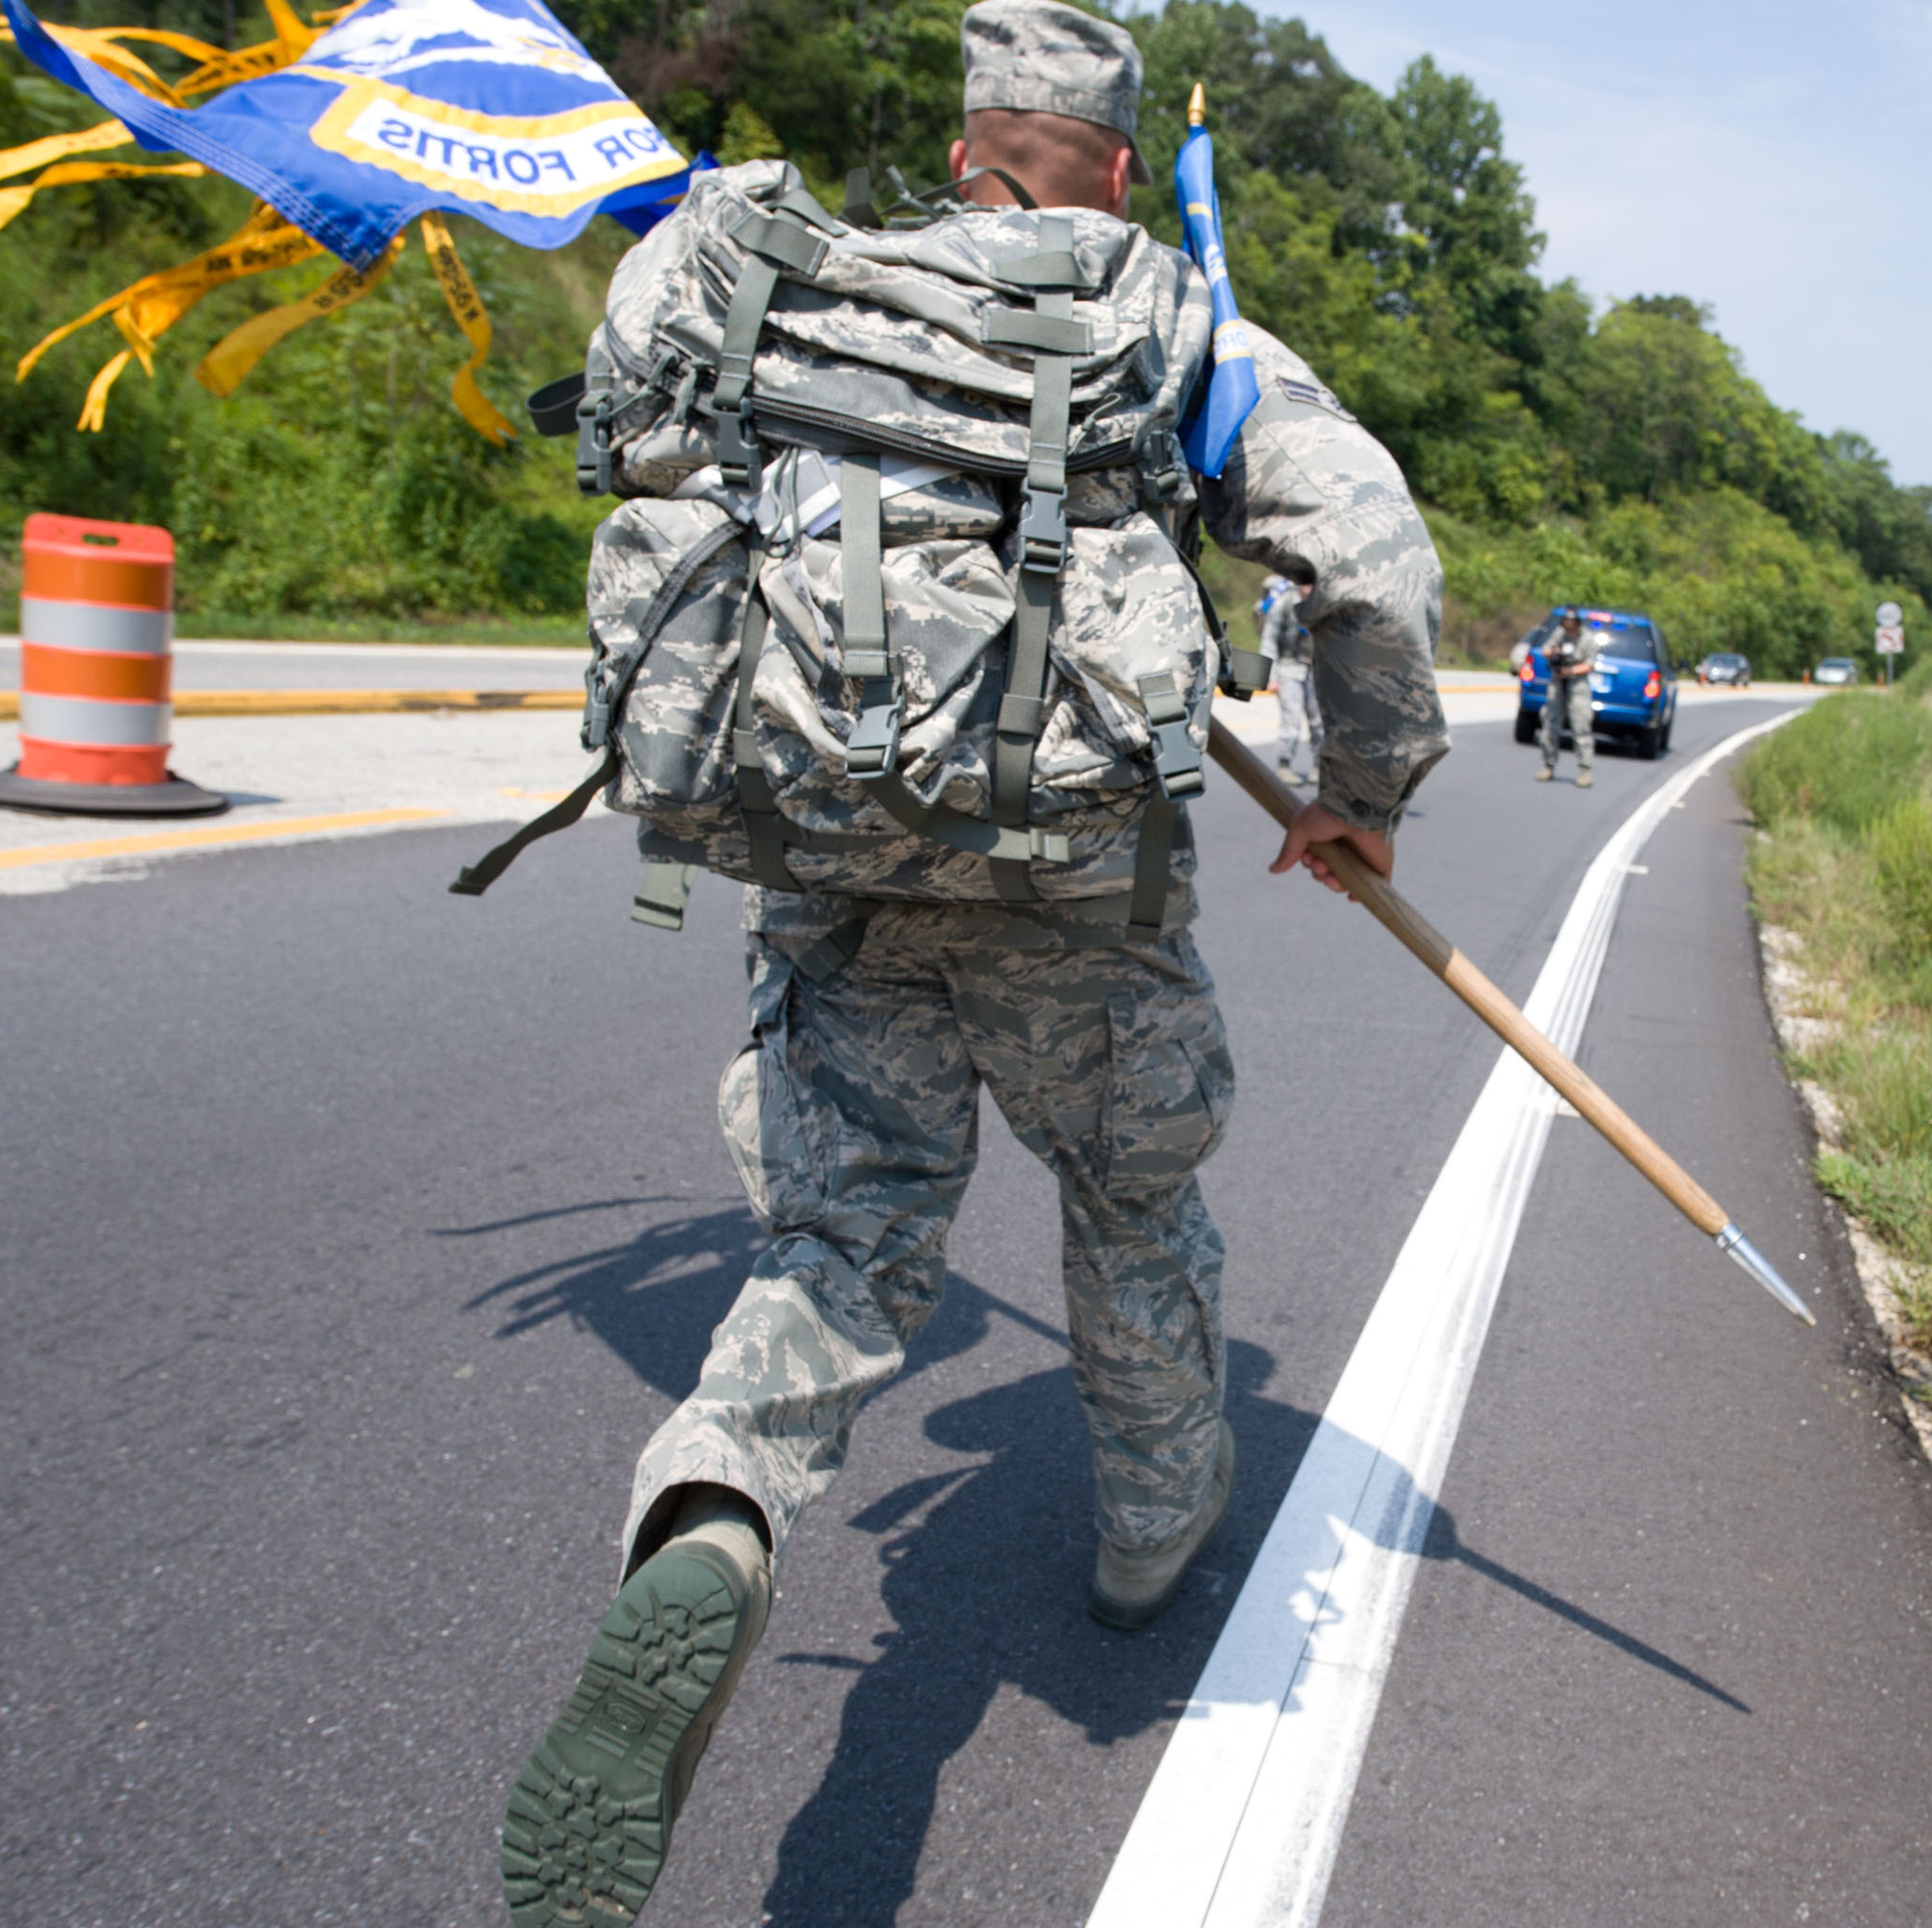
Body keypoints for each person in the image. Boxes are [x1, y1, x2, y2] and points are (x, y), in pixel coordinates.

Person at [497, 6, 1448, 1922]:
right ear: (1110, 167)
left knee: (833, 1247)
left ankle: (716, 1504)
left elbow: (653, 468)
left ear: (961, 152)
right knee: (1131, 1200)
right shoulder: (1168, 320)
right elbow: (1373, 559)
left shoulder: (799, 294)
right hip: (1084, 896)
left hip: (824, 860)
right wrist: (1366, 794)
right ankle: (1150, 1533)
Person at [1259, 573, 1324, 785]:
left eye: (1311, 582)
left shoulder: (1322, 605)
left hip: (1316, 670)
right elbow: (1269, 640)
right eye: (1304, 582)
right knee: (1291, 720)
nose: (1307, 587)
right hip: (1289, 668)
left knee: (1319, 721)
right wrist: (1270, 675)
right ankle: (1284, 764)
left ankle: (1319, 765)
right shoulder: (1284, 605)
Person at [1536, 608, 1598, 788]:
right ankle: (1549, 765)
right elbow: (1545, 649)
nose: (1569, 630)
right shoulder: (1559, 634)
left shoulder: (1587, 639)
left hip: (1577, 684)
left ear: (1578, 624)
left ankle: (1585, 770)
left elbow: (1589, 665)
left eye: (1572, 626)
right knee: (1549, 723)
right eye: (1566, 626)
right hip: (1557, 681)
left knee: (1581, 726)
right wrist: (1552, 652)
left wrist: (1570, 671)